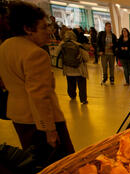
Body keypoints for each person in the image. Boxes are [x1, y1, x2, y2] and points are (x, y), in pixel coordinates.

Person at [0, 1, 74, 161]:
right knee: (62, 165)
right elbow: (40, 96)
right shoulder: (35, 54)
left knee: (34, 163)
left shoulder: (5, 47)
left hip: (19, 117)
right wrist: (50, 130)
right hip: (40, 122)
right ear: (27, 29)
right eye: (43, 28)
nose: (49, 31)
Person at [55, 30, 89, 104]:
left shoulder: (62, 45)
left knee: (70, 83)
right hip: (79, 69)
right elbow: (86, 58)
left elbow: (56, 53)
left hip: (68, 69)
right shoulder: (78, 45)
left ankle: (72, 95)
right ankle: (83, 99)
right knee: (82, 85)